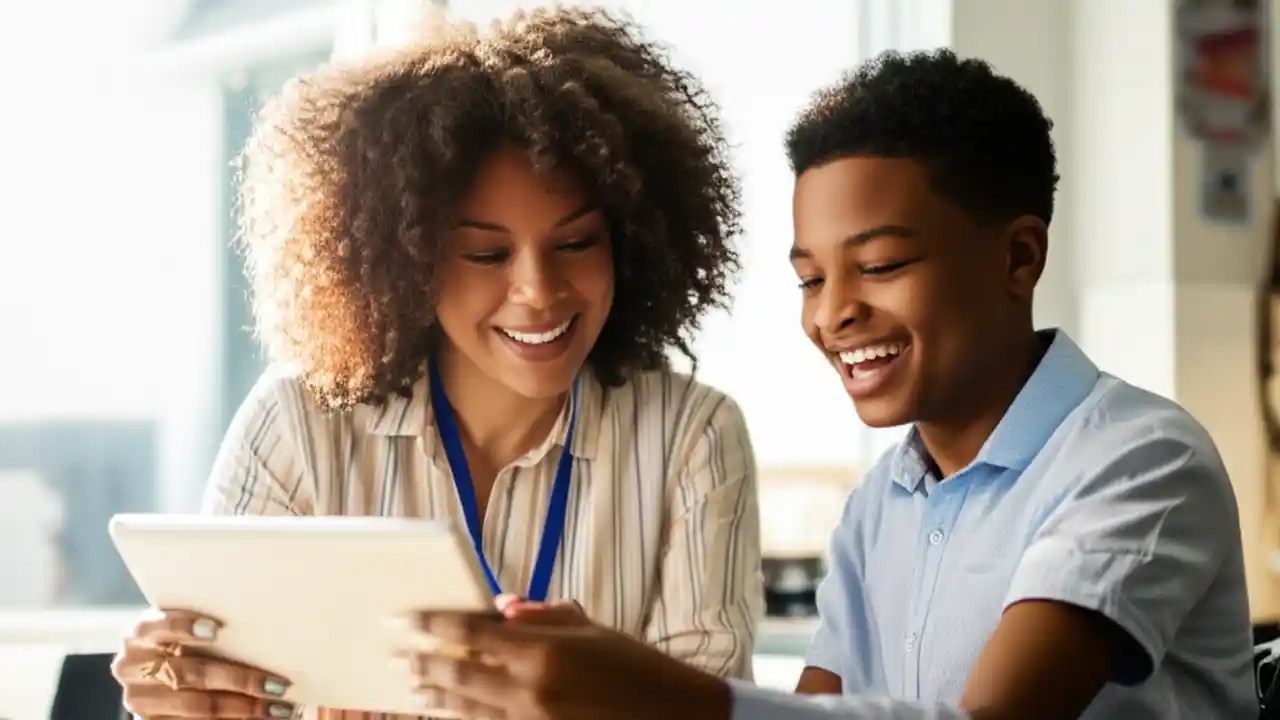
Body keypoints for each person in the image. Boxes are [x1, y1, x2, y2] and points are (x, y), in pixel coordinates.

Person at [400, 49, 1257, 720]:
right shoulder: (883, 503)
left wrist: (647, 693)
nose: (834, 313)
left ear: (1019, 256)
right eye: (811, 279)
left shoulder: (1139, 460)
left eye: (879, 265)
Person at [110, 7, 762, 719]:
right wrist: (179, 697)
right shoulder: (297, 425)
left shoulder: (690, 438)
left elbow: (707, 710)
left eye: (576, 243)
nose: (539, 292)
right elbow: (211, 673)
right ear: (409, 261)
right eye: (486, 254)